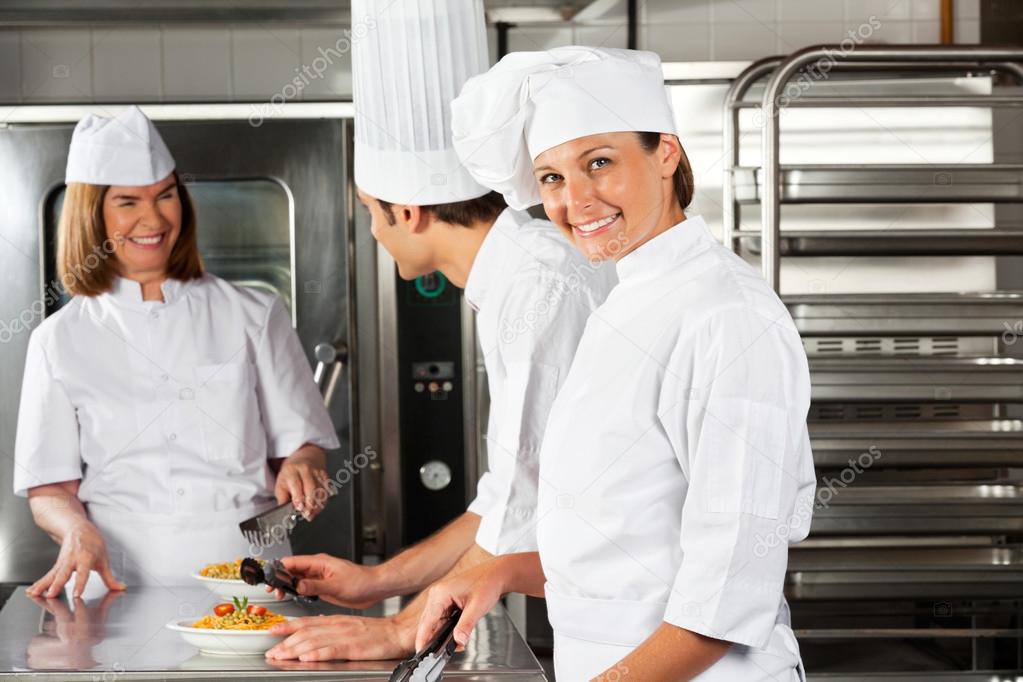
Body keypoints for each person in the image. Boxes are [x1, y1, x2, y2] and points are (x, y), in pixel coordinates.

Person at [415, 47, 817, 681]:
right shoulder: (625, 299)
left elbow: (725, 596)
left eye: (598, 163)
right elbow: (622, 546)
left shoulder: (728, 317)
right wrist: (500, 572)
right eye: (551, 178)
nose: (575, 201)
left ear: (666, 153)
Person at [262, 1, 615, 663]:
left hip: (656, 638)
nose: (372, 232)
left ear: (408, 209)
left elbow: (521, 508)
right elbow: (502, 497)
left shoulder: (541, 288)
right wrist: (378, 584)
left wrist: (401, 631)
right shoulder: (516, 275)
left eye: (371, 213)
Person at [14, 106, 337, 595]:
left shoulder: (254, 313)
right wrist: (75, 529)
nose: (154, 218)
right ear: (92, 217)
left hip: (248, 577)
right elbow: (49, 489)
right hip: (116, 580)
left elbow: (301, 446)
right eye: (127, 202)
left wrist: (303, 466)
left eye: (166, 195)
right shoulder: (59, 340)